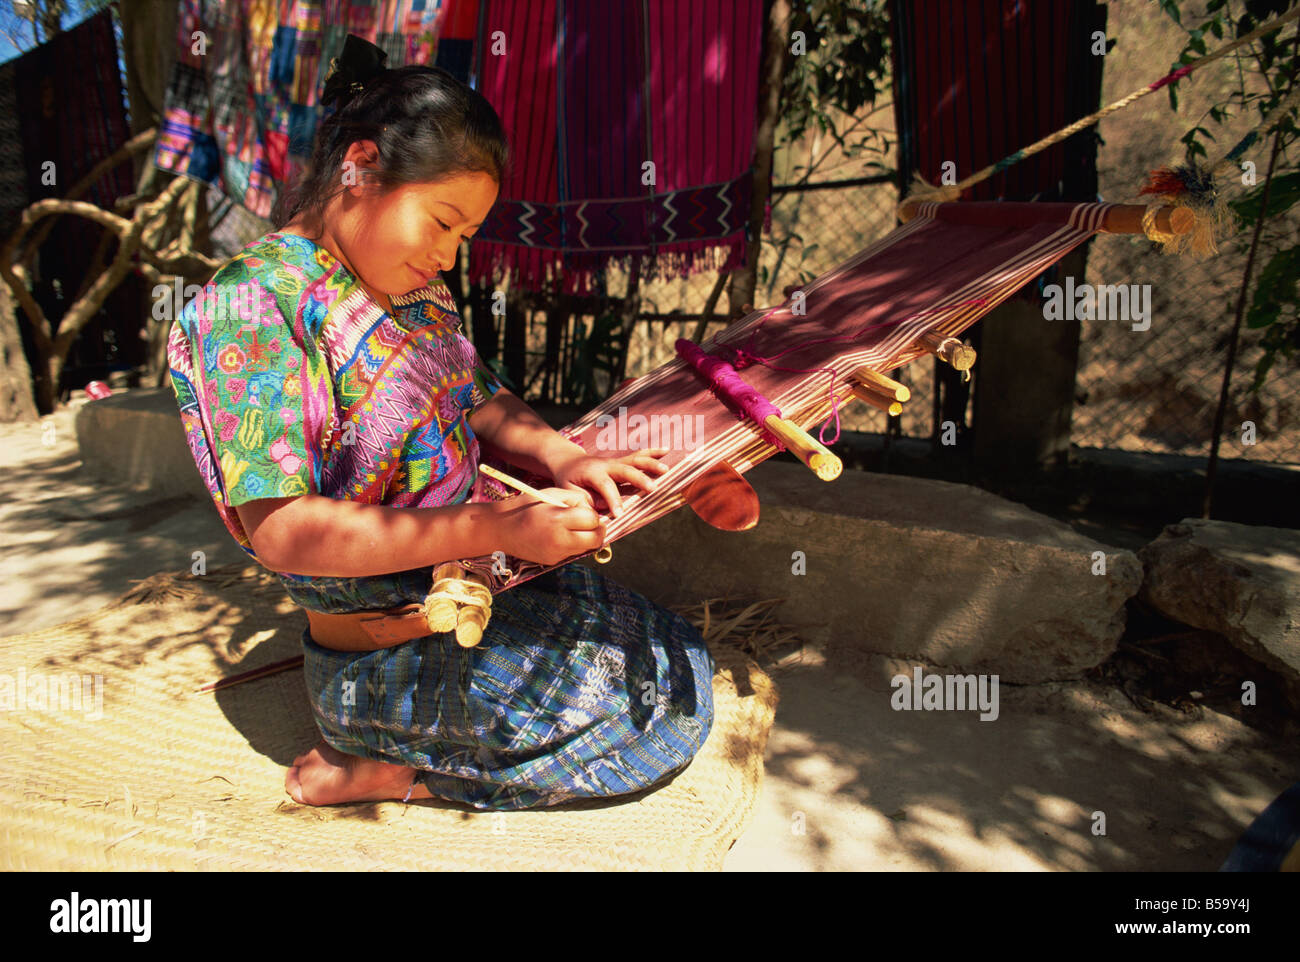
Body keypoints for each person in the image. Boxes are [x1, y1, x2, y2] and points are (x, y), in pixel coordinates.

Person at [165, 35, 714, 811]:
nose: (450, 257)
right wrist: (494, 529)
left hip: (466, 585)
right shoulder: (251, 307)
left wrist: (562, 458)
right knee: (634, 729)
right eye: (444, 222)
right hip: (388, 637)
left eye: (465, 236)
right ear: (360, 168)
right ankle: (391, 763)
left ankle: (413, 724)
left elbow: (477, 396)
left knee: (668, 656)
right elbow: (283, 530)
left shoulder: (413, 291)